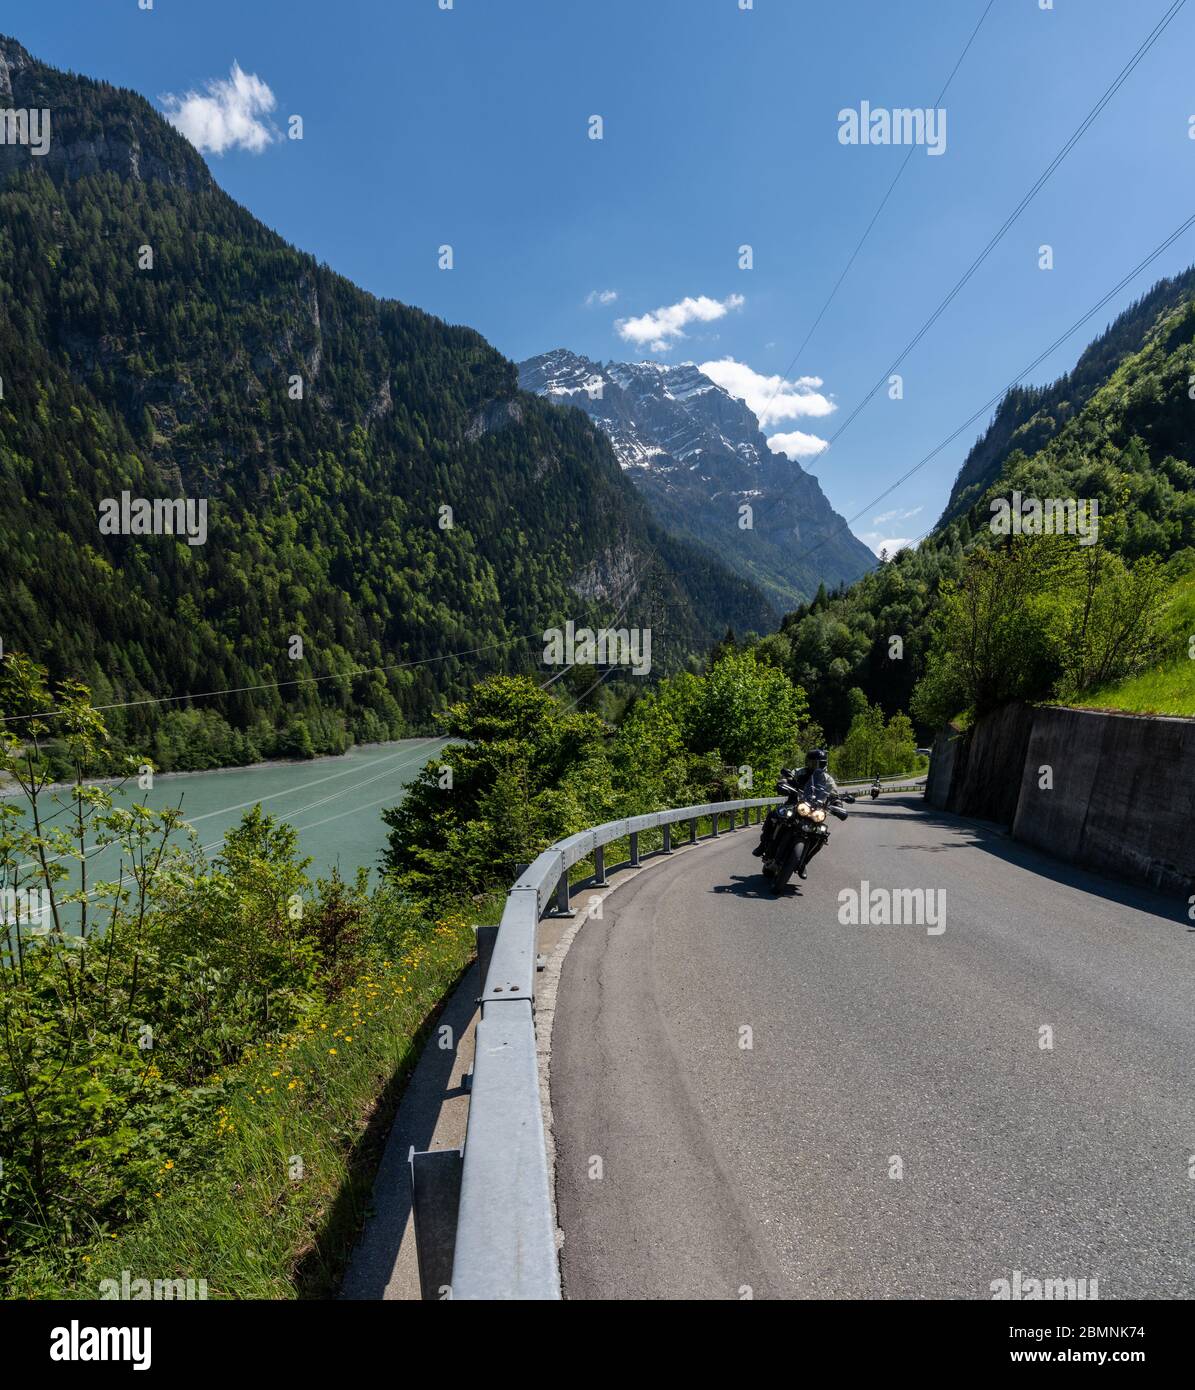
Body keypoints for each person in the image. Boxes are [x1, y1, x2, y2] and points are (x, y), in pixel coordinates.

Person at [752, 748, 839, 877]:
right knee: (774, 815)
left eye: (816, 763)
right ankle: (763, 844)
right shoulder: (799, 772)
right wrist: (784, 783)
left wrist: (837, 804)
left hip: (815, 810)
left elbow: (834, 794)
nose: (813, 766)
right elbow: (787, 779)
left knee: (821, 835)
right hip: (795, 804)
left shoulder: (828, 779)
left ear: (823, 764)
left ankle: (803, 862)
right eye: (810, 763)